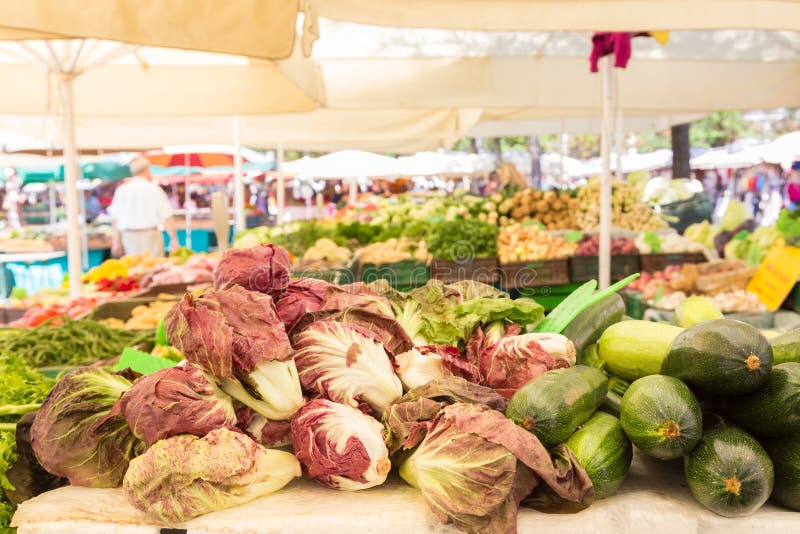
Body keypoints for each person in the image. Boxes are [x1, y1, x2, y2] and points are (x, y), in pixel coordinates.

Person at [108, 159, 178, 257]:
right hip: (151, 236)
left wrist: (116, 241)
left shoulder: (122, 190)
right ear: (147, 170)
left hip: (129, 237)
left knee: (133, 269)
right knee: (154, 269)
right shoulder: (154, 189)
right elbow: (166, 216)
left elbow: (115, 219)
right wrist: (174, 238)